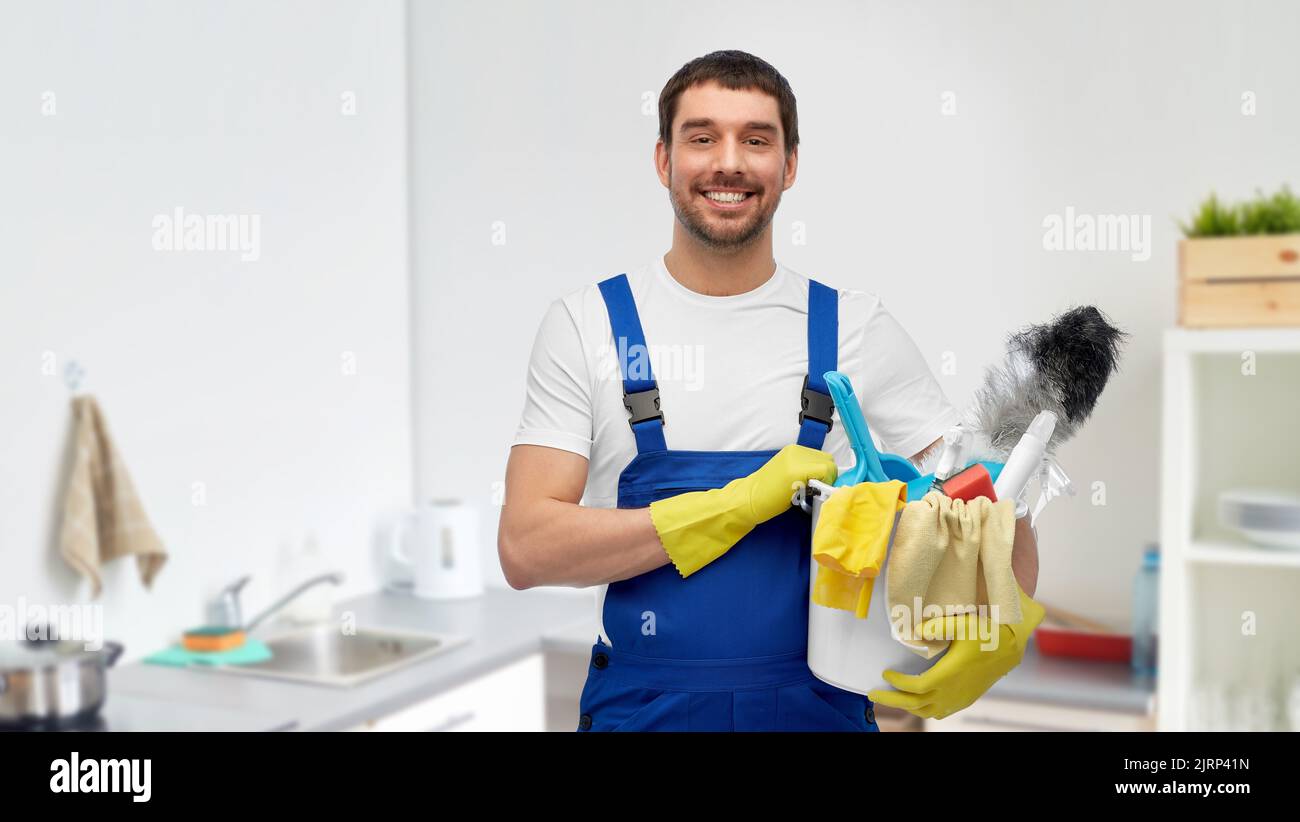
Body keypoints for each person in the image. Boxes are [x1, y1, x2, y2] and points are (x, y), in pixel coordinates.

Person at [499, 50, 1039, 732]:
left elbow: (988, 506)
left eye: (756, 140)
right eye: (702, 137)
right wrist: (731, 507)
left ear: (788, 166)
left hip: (815, 712)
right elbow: (526, 546)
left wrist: (1006, 619)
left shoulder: (855, 330)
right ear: (664, 160)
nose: (729, 162)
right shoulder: (587, 326)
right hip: (643, 713)